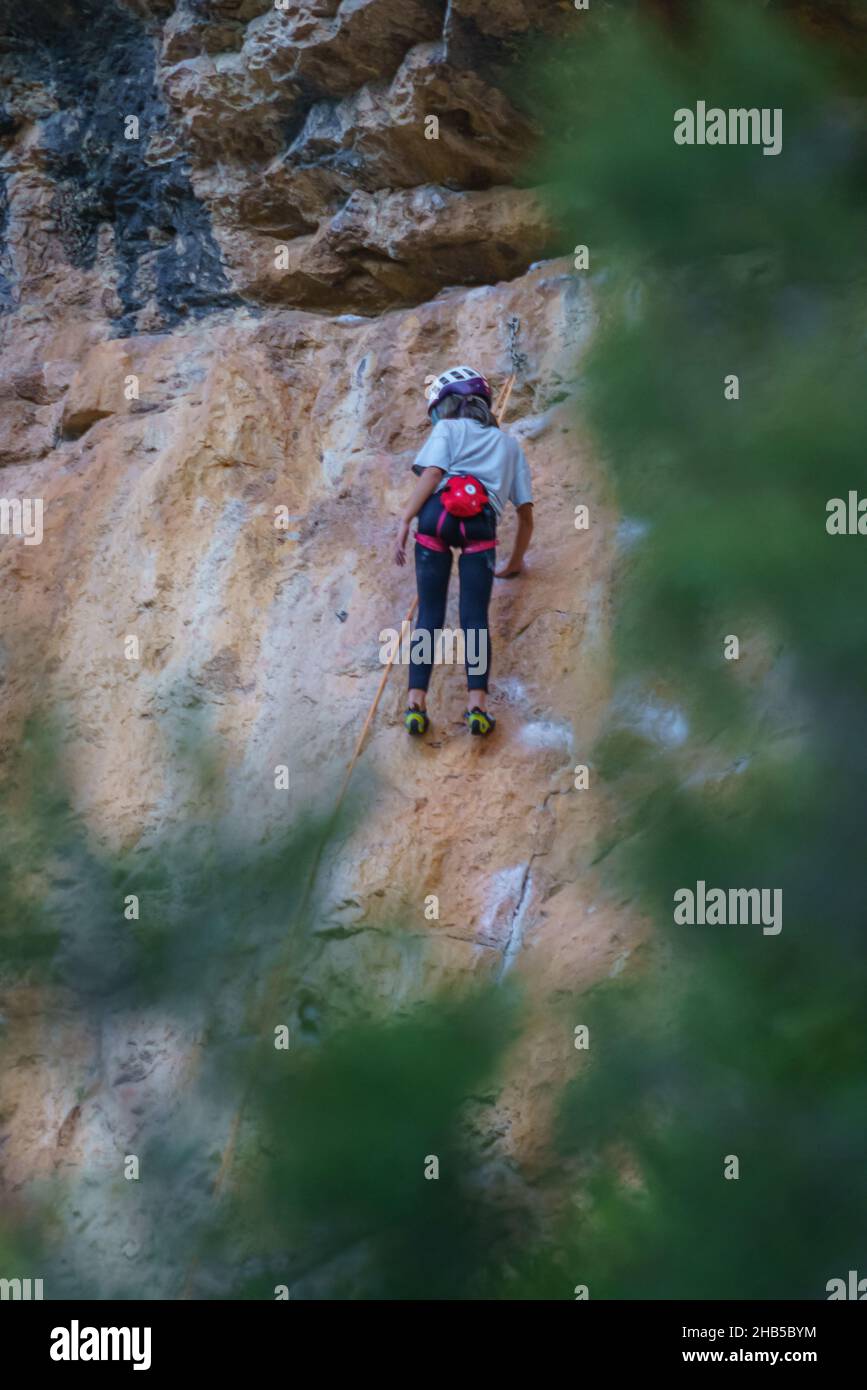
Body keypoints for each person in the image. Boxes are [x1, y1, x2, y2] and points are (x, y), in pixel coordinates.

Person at [394, 365, 534, 736]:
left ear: (449, 406)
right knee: (474, 619)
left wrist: (405, 520)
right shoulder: (510, 446)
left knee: (430, 616)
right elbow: (525, 515)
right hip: (480, 527)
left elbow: (432, 474)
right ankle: (476, 707)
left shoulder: (447, 429)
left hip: (436, 519)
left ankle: (415, 705)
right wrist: (515, 562)